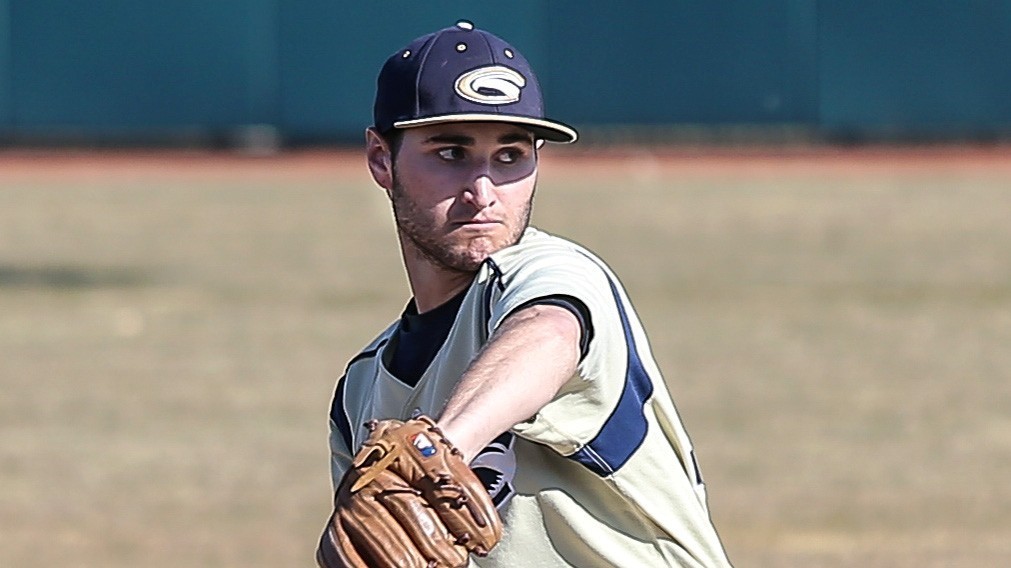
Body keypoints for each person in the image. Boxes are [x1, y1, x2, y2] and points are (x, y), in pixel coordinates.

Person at [320, 21, 733, 567]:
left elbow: (548, 333)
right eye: (450, 153)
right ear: (381, 159)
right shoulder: (362, 393)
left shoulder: (554, 273)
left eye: (511, 156)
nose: (483, 191)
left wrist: (436, 450)